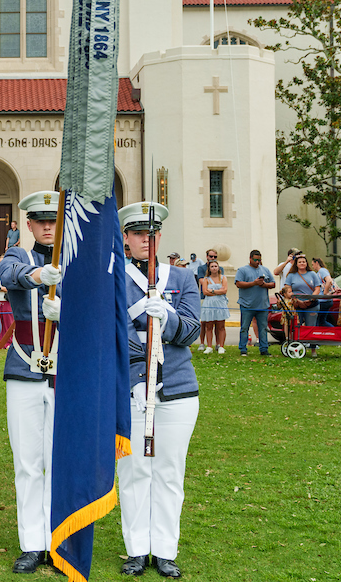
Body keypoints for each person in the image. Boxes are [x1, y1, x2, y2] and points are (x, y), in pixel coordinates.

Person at [117, 201, 200, 579]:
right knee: (135, 472)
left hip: (178, 389)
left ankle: (165, 549)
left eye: (152, 234)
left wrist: (166, 316)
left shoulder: (181, 279)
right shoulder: (115, 278)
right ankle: (136, 549)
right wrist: (136, 378)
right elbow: (111, 334)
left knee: (169, 471)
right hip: (132, 389)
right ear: (126, 239)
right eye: (138, 234)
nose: (146, 240)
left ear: (160, 236)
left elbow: (192, 331)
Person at [0, 190, 63, 573]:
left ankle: (56, 539)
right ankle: (31, 542)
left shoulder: (74, 258)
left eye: (53, 221)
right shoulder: (18, 254)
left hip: (63, 369)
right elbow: (8, 275)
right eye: (40, 222)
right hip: (24, 366)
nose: (48, 227)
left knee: (57, 459)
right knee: (27, 461)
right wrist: (38, 275)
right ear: (29, 225)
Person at [235, 250, 275, 357]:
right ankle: (243, 349)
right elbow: (238, 283)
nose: (257, 262)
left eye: (259, 260)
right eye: (255, 259)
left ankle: (264, 349)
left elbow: (273, 283)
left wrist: (264, 285)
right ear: (250, 258)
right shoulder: (242, 270)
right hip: (247, 305)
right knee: (244, 327)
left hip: (262, 305)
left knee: (263, 328)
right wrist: (254, 283)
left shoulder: (265, 270)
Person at [282, 253, 323, 357]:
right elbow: (287, 289)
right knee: (296, 327)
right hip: (296, 305)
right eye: (299, 262)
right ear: (296, 263)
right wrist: (297, 300)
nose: (302, 263)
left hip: (312, 304)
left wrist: (310, 299)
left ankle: (313, 350)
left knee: (311, 327)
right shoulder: (291, 275)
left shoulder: (312, 274)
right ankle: (295, 348)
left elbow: (317, 288)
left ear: (306, 263)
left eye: (303, 261)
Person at [199, 260, 229, 354]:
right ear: (209, 268)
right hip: (209, 304)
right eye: (212, 266)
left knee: (221, 325)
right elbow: (205, 292)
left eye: (216, 266)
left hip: (220, 303)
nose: (214, 268)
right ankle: (209, 346)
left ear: (218, 267)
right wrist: (217, 291)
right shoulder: (206, 279)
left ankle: (221, 346)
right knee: (209, 326)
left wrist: (212, 291)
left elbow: (224, 290)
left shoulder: (223, 278)